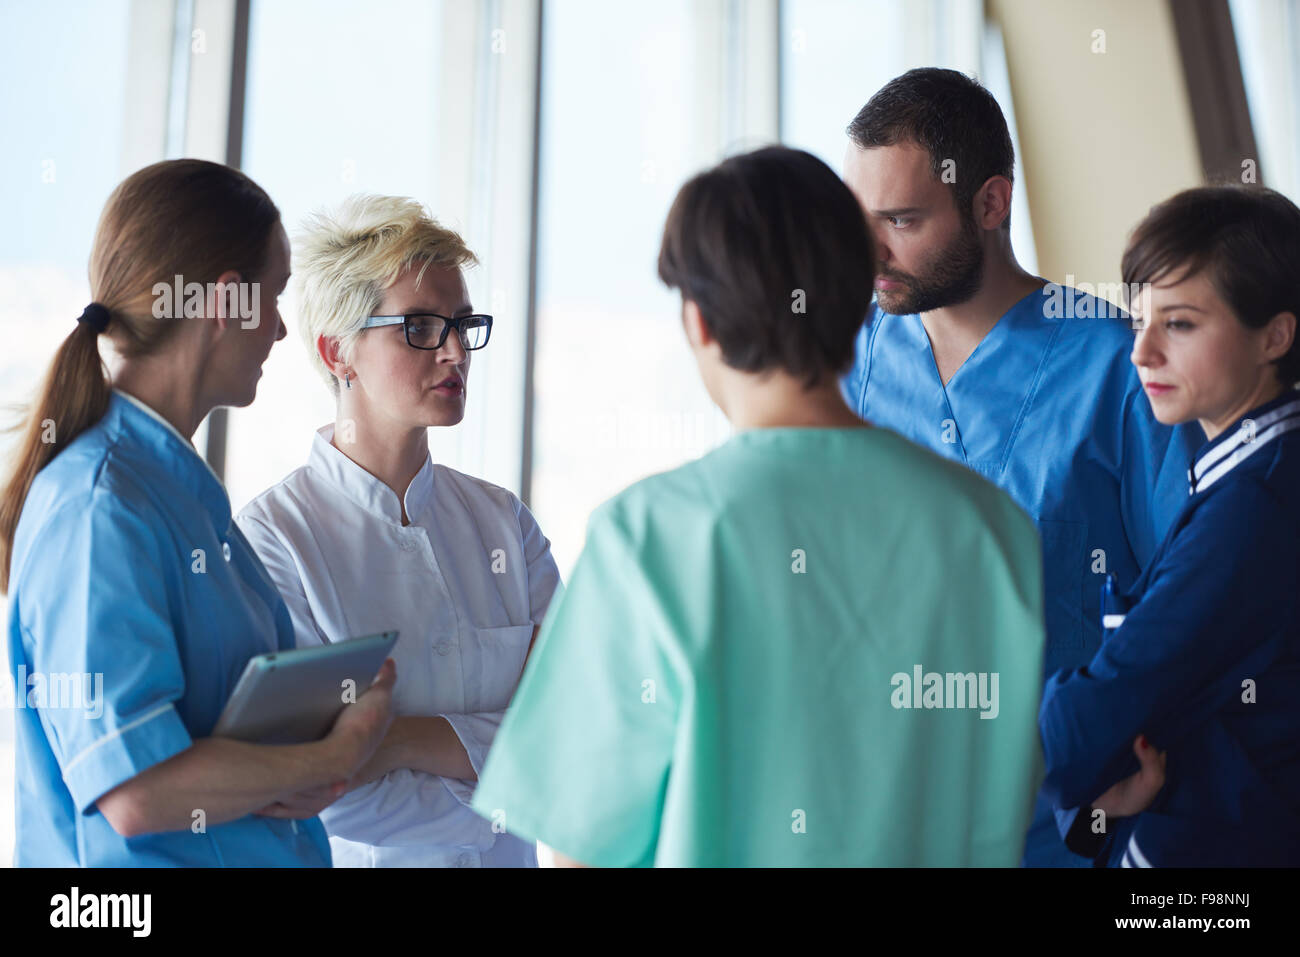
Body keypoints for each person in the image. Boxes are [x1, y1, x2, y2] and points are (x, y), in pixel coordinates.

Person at [470, 146, 1046, 867]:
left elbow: (583, 843)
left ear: (700, 322)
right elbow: (1009, 789)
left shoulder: (650, 535)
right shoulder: (991, 530)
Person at [839, 68, 1203, 867]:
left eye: (902, 219)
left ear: (991, 204)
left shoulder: (1117, 368)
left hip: (1060, 832)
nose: (872, 251)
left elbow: (1197, 599)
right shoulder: (841, 359)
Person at [0, 159, 395, 867]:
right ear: (225, 302)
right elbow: (135, 791)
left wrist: (313, 730)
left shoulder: (176, 494)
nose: (278, 329)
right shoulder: (99, 508)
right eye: (272, 298)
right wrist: (330, 757)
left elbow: (205, 739)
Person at [236, 195, 561, 868]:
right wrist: (515, 787)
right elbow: (320, 792)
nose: (454, 350)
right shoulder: (274, 541)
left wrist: (404, 740)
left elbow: (579, 734)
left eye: (464, 324)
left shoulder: (508, 526)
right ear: (338, 352)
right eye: (419, 325)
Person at [1039, 185, 1300, 866]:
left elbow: (1094, 718)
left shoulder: (1254, 507)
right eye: (1139, 320)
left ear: (1275, 334)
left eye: (1179, 324)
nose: (1141, 353)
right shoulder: (1243, 470)